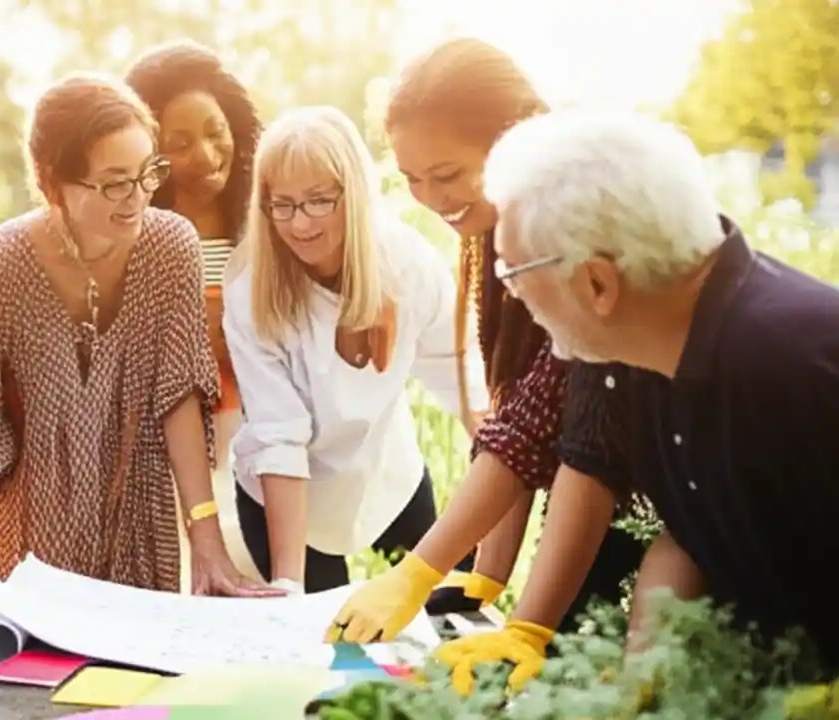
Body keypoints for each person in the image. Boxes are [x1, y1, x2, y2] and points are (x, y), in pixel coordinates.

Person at [449, 109, 839, 686]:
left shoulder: (797, 367)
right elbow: (691, 532)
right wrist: (642, 683)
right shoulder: (645, 352)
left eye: (515, 272)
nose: (512, 294)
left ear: (597, 284)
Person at [0, 73, 280, 632]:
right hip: (26, 546)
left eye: (147, 173)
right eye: (114, 183)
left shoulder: (172, 247)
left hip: (140, 529)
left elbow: (180, 398)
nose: (138, 197)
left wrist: (207, 543)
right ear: (51, 182)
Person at [327, 38, 645, 649]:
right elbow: (517, 410)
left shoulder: (581, 229)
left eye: (447, 174)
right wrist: (485, 578)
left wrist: (420, 570)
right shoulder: (498, 226)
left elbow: (543, 420)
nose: (434, 198)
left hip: (661, 520)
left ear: (518, 134)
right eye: (413, 179)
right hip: (597, 506)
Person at [222, 105, 490, 595]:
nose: (299, 224)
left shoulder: (407, 264)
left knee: (451, 601)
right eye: (282, 204)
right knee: (317, 636)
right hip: (287, 500)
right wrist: (288, 586)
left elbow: (464, 378)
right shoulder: (250, 290)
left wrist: (500, 502)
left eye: (319, 201)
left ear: (356, 194)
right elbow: (279, 438)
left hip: (388, 476)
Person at [124, 39, 261, 475]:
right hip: (169, 450)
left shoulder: (271, 218)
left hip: (266, 435)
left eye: (215, 132)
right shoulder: (134, 234)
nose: (205, 155)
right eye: (179, 144)